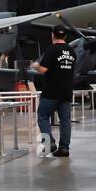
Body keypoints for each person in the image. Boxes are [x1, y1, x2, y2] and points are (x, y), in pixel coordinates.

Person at [28, 26, 76, 157]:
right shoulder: (72, 52)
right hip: (66, 92)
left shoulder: (51, 50)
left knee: (42, 116)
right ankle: (64, 148)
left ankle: (49, 143)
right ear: (65, 36)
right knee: (65, 121)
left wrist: (35, 65)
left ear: (52, 36)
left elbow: (43, 69)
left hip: (51, 91)